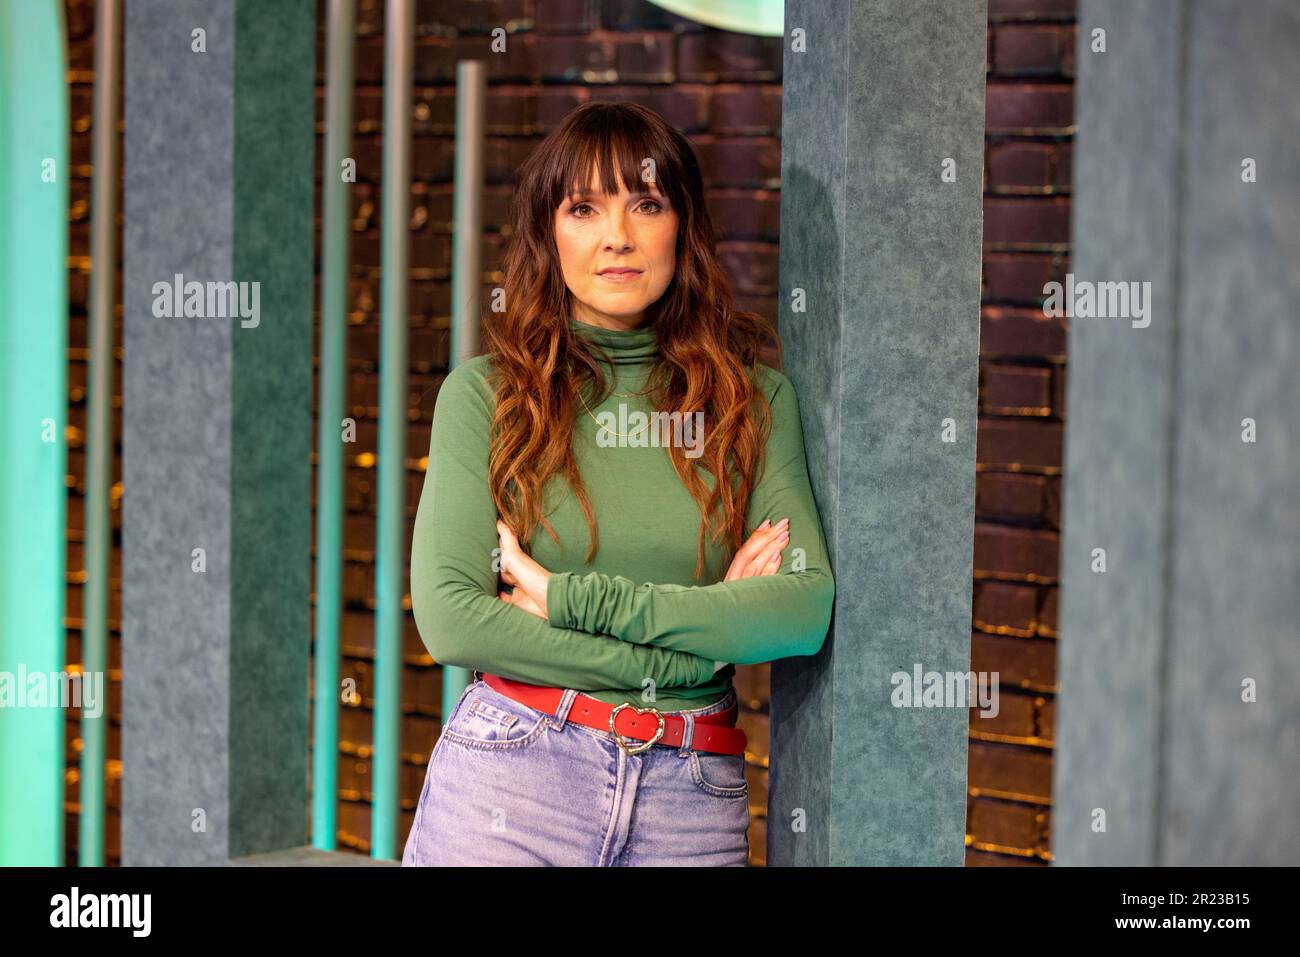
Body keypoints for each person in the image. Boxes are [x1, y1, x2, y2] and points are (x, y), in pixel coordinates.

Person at [402, 101, 835, 866]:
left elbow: (800, 609)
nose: (618, 236)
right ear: (549, 232)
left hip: (690, 800)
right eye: (583, 207)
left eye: (646, 202)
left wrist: (571, 600)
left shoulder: (754, 401)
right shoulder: (485, 395)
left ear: (682, 225)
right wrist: (691, 659)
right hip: (514, 779)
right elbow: (455, 621)